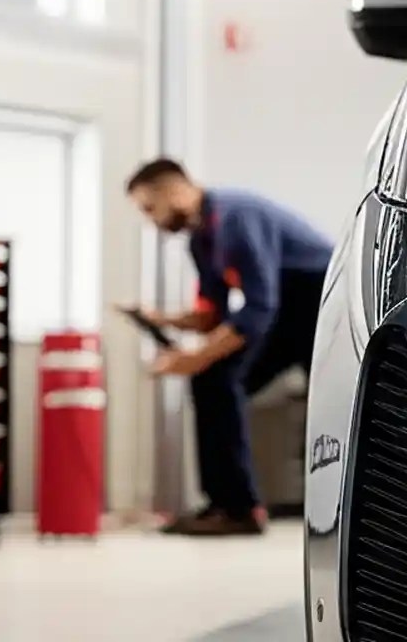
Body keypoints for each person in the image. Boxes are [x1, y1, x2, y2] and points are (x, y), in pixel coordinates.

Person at [125, 157, 333, 536]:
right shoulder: (200, 242)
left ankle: (239, 508)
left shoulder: (236, 217)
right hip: (285, 312)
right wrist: (161, 320)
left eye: (150, 208)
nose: (151, 220)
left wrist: (195, 357)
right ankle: (229, 506)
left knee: (218, 376)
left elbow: (257, 306)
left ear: (175, 191)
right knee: (211, 378)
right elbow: (212, 315)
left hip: (322, 303)